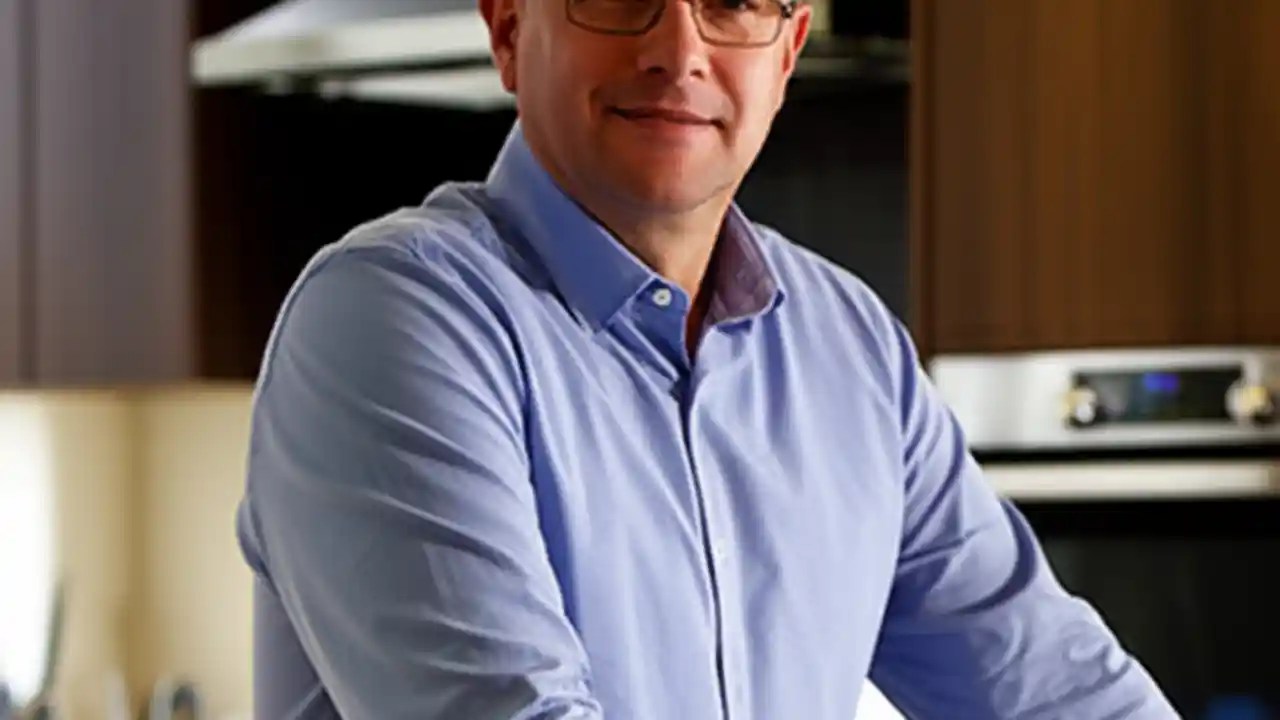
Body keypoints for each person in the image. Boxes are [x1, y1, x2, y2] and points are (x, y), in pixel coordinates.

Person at [237, 0, 1178, 717]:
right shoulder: (393, 317)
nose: (678, 51)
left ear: (789, 51)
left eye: (732, 2)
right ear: (510, 27)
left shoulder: (848, 350)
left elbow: (1053, 688)